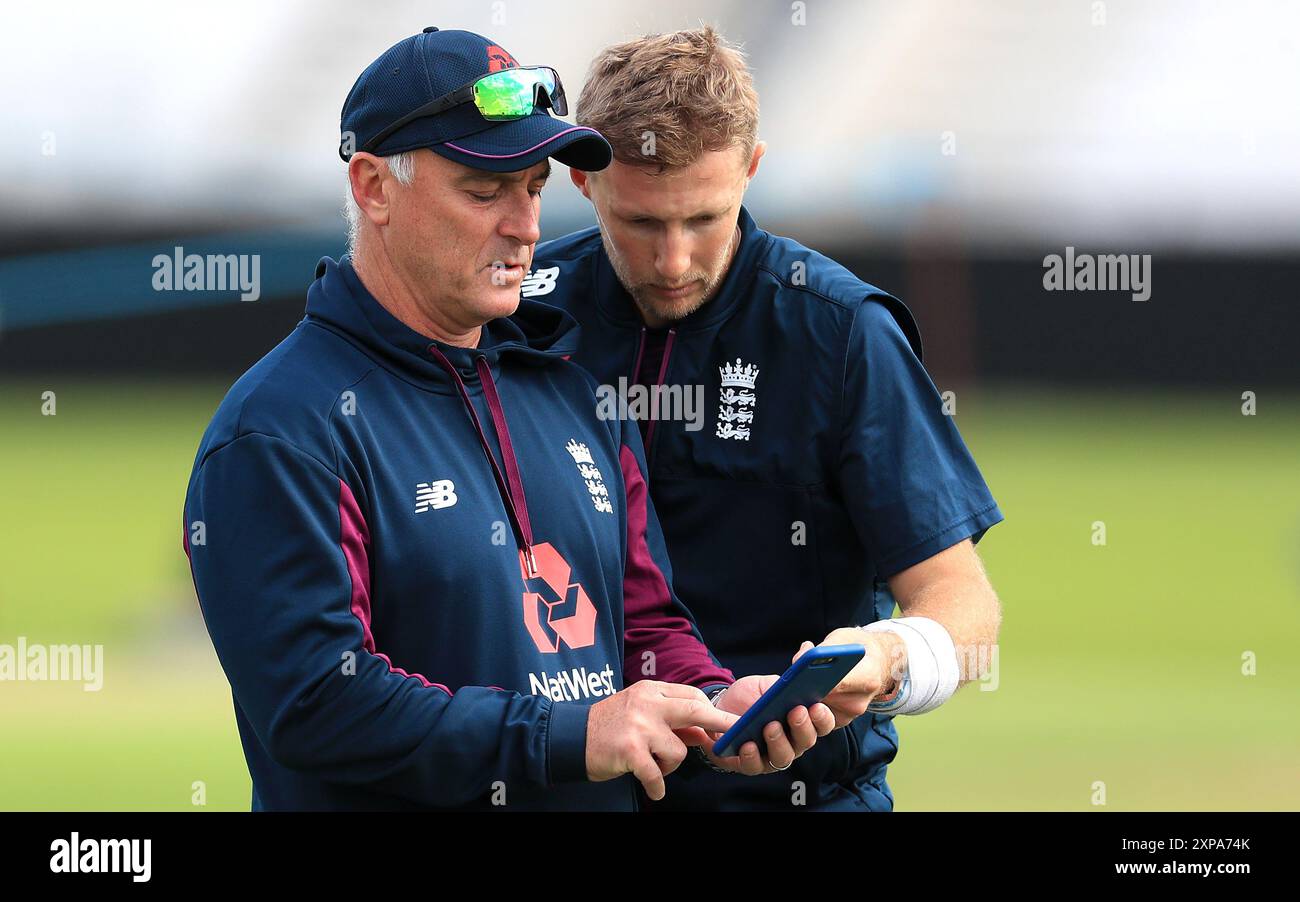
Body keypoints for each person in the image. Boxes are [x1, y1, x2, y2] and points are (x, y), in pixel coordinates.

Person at [182, 27, 833, 812]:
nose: (525, 226)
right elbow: (320, 704)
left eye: (532, 187)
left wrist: (709, 702)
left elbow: (642, 624)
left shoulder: (571, 387)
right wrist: (569, 736)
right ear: (373, 188)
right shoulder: (284, 428)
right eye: (484, 192)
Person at [527, 26, 1005, 811]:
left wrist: (884, 656)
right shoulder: (516, 315)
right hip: (571, 788)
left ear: (752, 169)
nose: (675, 261)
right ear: (584, 183)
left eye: (704, 219)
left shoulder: (843, 333)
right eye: (643, 224)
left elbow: (965, 605)